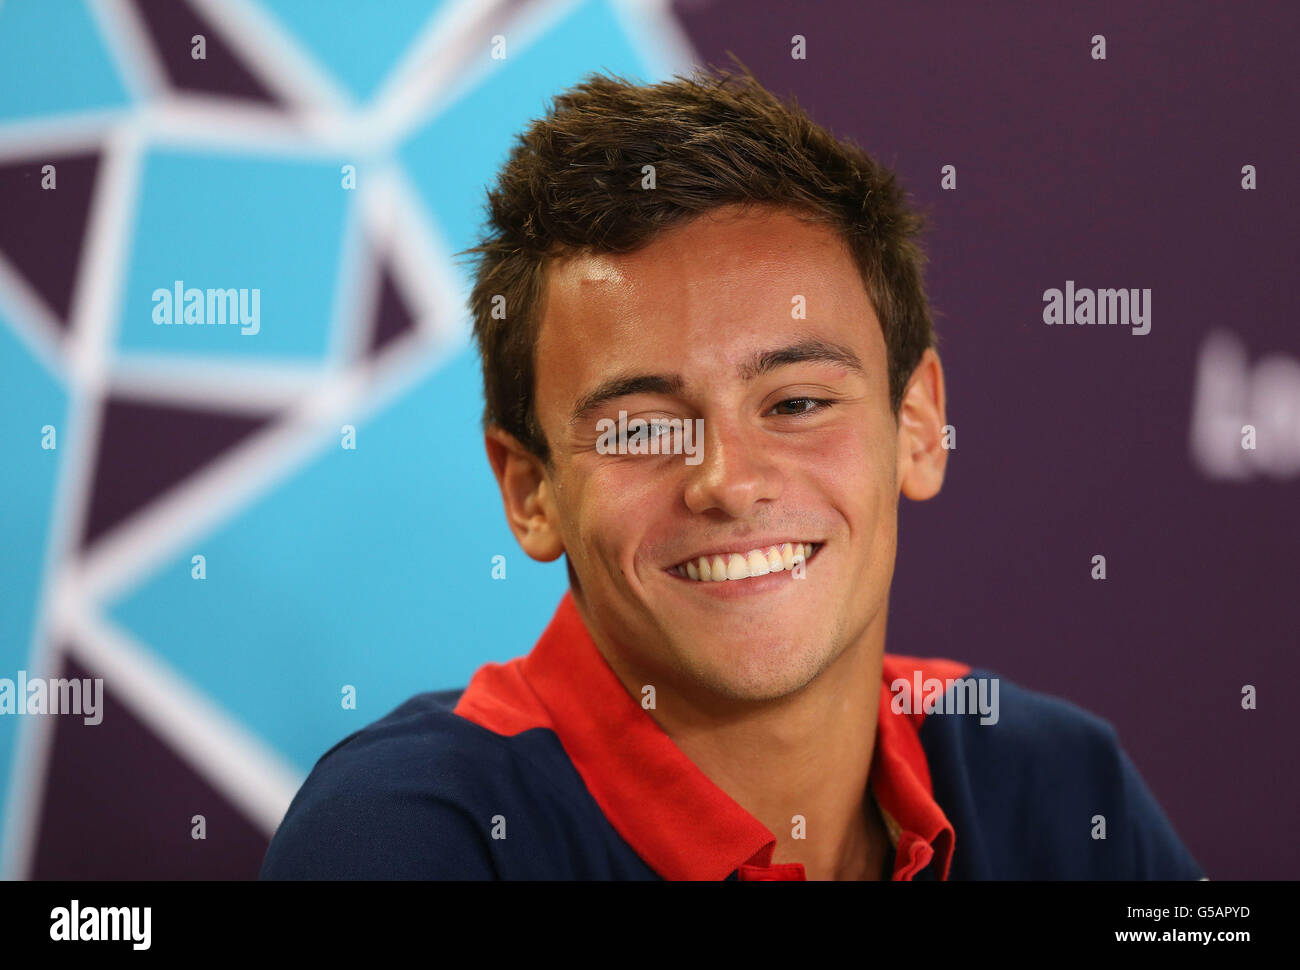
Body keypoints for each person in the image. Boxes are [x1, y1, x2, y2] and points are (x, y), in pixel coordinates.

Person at [261, 66, 1203, 880]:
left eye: (796, 404)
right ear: (530, 490)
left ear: (916, 425)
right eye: (640, 430)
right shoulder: (409, 837)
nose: (727, 480)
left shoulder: (1060, 784)